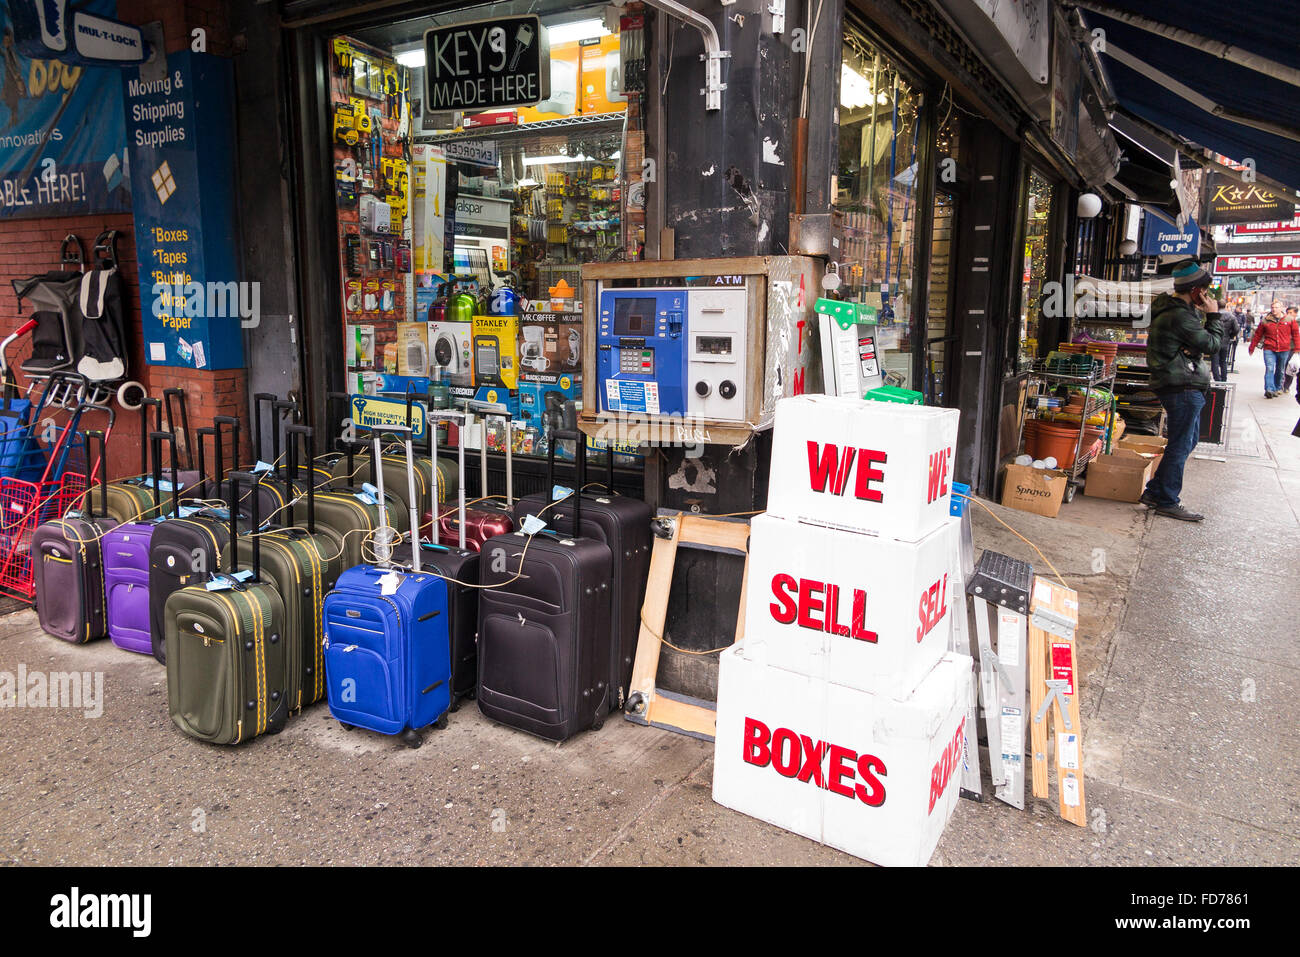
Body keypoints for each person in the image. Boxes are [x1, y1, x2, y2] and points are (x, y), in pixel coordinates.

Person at [1140, 260, 1224, 521]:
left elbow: (1200, 345)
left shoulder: (1180, 312)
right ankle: (1167, 499)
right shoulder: (1180, 315)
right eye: (1205, 291)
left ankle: (1155, 492)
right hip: (1182, 386)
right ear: (1197, 290)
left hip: (1183, 384)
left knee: (1187, 441)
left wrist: (1196, 346)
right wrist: (1214, 315)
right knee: (1180, 444)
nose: (1208, 296)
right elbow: (1212, 345)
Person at [1248, 300, 1300, 397]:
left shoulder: (1289, 320)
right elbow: (1258, 334)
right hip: (1269, 348)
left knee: (1280, 370)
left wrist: (1297, 348)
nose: (1274, 309)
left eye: (1276, 307)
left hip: (1284, 349)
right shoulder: (1265, 320)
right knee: (1269, 368)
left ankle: (1277, 387)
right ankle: (1269, 389)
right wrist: (1252, 347)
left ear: (1281, 308)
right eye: (1272, 308)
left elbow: (1296, 334)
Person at [1211, 307, 1239, 382]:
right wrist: (1230, 336)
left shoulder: (1213, 316)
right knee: (1223, 361)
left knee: (1215, 362)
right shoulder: (1231, 317)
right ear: (1226, 306)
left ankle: (1217, 379)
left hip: (1215, 341)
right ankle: (1224, 380)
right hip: (1225, 341)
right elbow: (1236, 329)